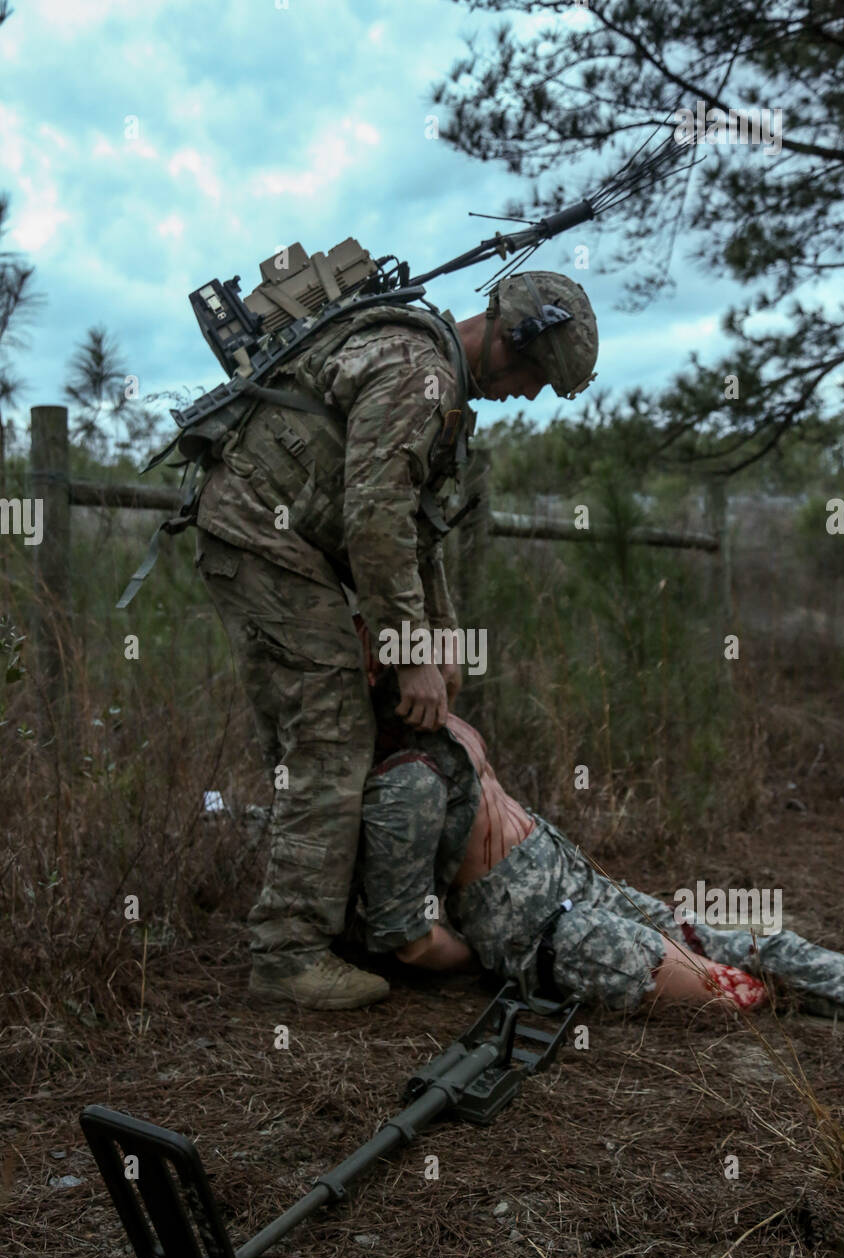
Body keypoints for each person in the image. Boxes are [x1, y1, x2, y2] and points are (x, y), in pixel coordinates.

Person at [194, 270, 599, 1008]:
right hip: (260, 538)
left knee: (324, 728)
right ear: (510, 338)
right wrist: (411, 658)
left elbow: (416, 534)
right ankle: (288, 954)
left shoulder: (438, 385)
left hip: (282, 543)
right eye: (538, 375)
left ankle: (333, 919)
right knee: (330, 727)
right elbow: (374, 521)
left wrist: (439, 645)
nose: (532, 393)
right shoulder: (421, 375)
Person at [358, 677, 844, 1022]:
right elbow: (413, 941)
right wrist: (491, 962)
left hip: (581, 883)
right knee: (733, 988)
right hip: (546, 932)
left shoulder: (438, 714)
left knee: (768, 946)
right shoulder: (403, 781)